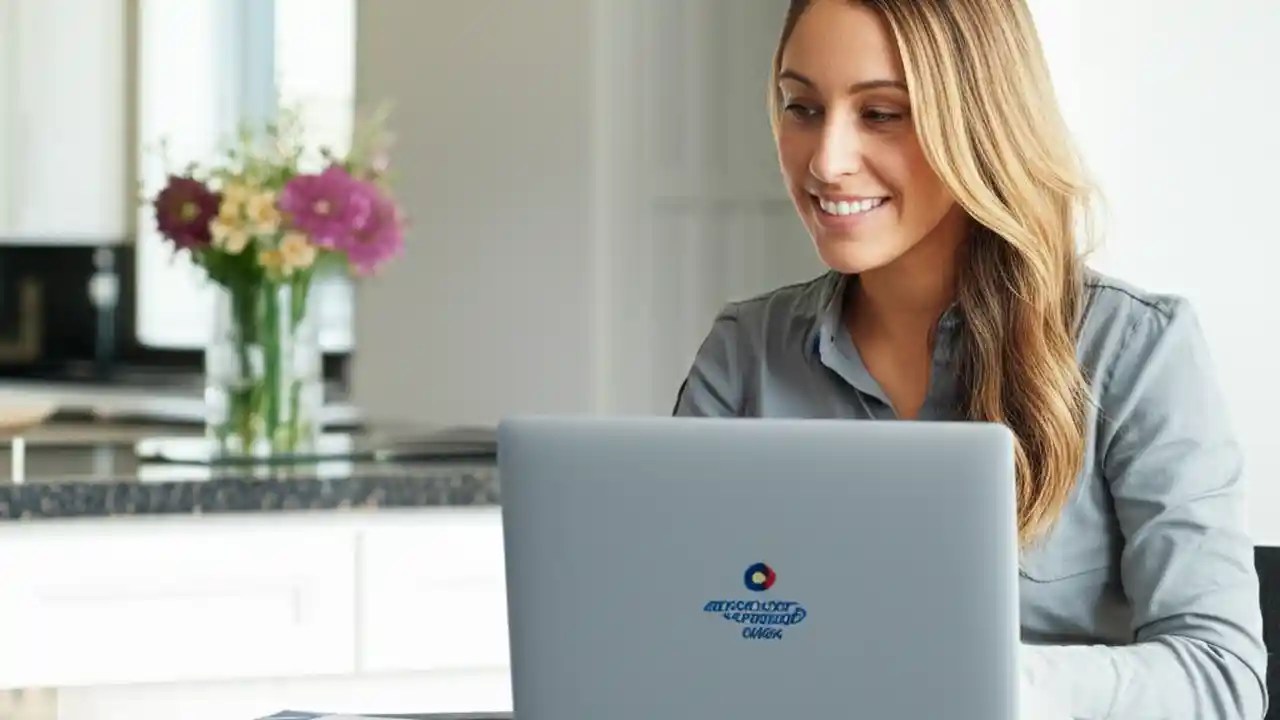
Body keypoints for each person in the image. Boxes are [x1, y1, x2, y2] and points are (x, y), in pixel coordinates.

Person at [672, 0, 1268, 718]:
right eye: (801, 107)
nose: (825, 161)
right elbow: (678, 638)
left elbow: (1220, 677)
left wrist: (966, 678)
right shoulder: (743, 355)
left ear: (979, 120)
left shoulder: (1134, 351)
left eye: (882, 114)